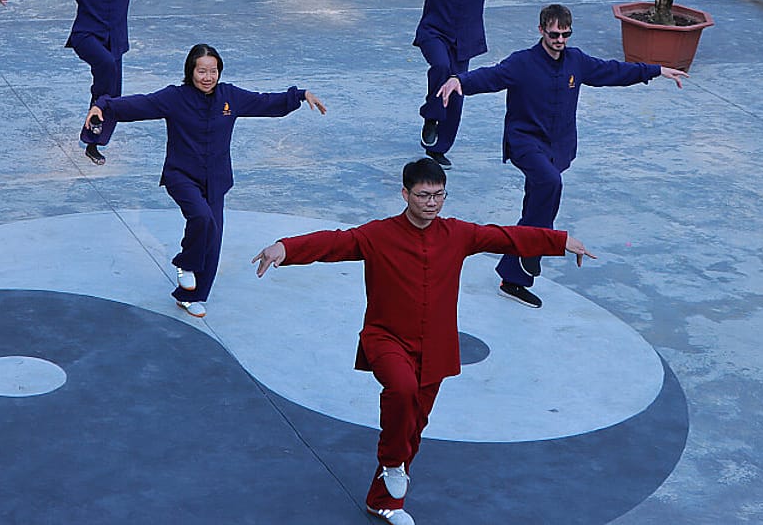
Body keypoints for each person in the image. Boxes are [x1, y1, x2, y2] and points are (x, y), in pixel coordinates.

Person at [252, 158, 595, 525]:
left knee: (414, 425)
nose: (432, 203)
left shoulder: (458, 234)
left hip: (436, 347)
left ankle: (384, 502)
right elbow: (334, 243)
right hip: (386, 338)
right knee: (401, 390)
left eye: (438, 195)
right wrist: (285, 247)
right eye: (423, 195)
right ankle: (392, 463)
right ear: (405, 194)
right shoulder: (378, 235)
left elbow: (506, 236)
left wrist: (560, 241)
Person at [437, 3, 687, 309]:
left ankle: (513, 277)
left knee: (535, 206)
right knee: (550, 183)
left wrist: (655, 70)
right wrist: (460, 80)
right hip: (525, 142)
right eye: (554, 34)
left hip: (558, 148)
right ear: (541, 30)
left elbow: (613, 71)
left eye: (565, 34)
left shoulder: (576, 61)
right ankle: (534, 250)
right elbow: (492, 76)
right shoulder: (522, 62)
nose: (560, 40)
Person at [88, 43, 325, 318]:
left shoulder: (230, 97)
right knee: (202, 218)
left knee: (212, 239)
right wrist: (102, 105)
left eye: (213, 71)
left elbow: (265, 102)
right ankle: (185, 264)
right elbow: (138, 104)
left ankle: (191, 297)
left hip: (216, 180)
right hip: (181, 175)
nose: (208, 77)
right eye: (202, 71)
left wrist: (299, 95)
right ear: (191, 71)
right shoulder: (175, 97)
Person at [351, 0, 572, 169]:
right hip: (434, 34)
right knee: (441, 66)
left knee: (456, 91)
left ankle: (438, 149)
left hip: (464, 42)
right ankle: (432, 116)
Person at [8, 0, 210, 166]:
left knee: (113, 97)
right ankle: (99, 105)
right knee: (106, 65)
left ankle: (93, 142)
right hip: (86, 37)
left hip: (115, 42)